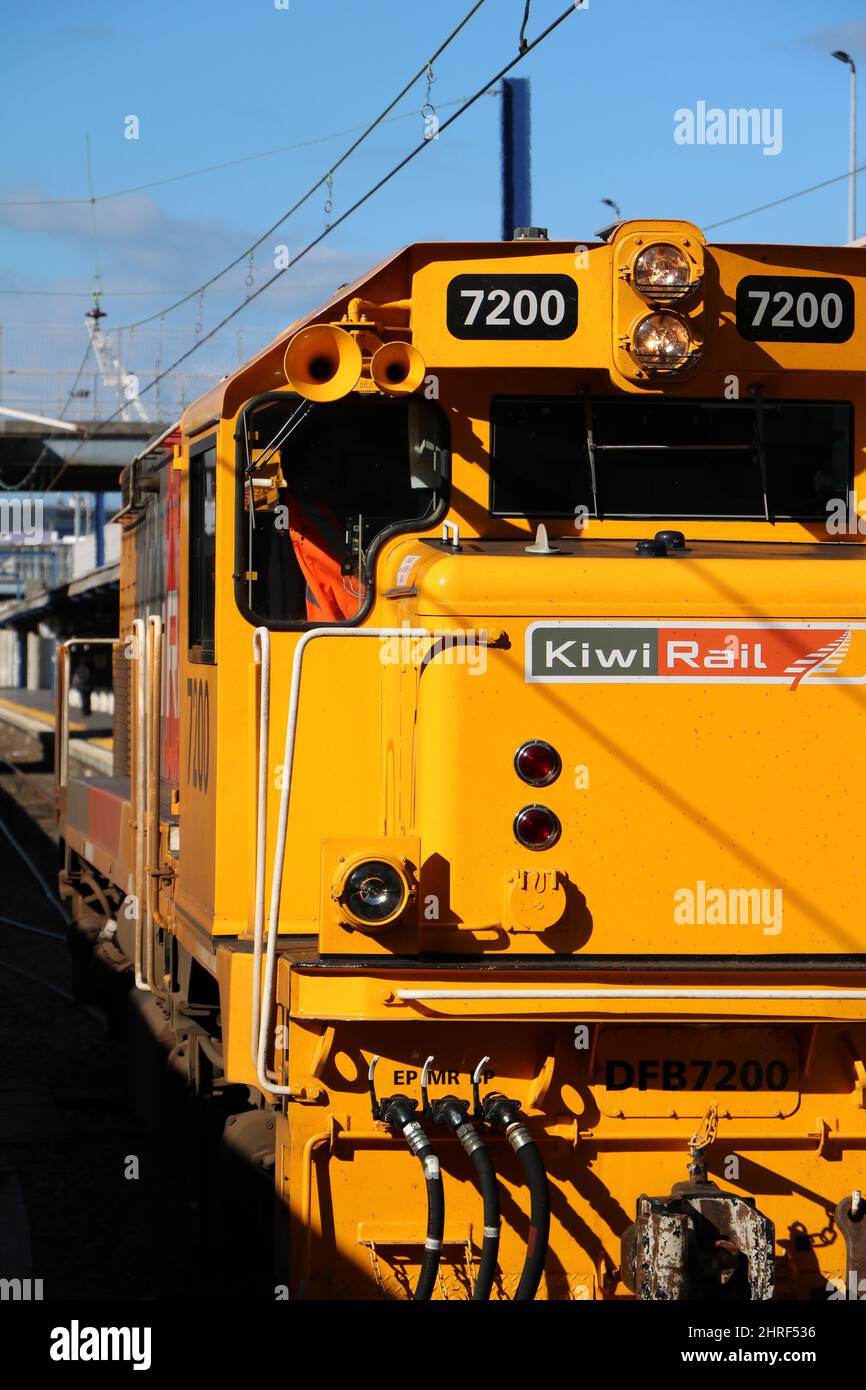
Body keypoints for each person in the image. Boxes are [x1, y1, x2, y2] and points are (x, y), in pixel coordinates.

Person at [71, 648, 93, 718]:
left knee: (84, 699)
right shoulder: (87, 667)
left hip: (83, 685)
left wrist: (75, 684)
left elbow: (77, 677)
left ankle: (85, 711)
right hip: (85, 685)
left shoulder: (81, 668)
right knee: (86, 699)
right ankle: (87, 711)